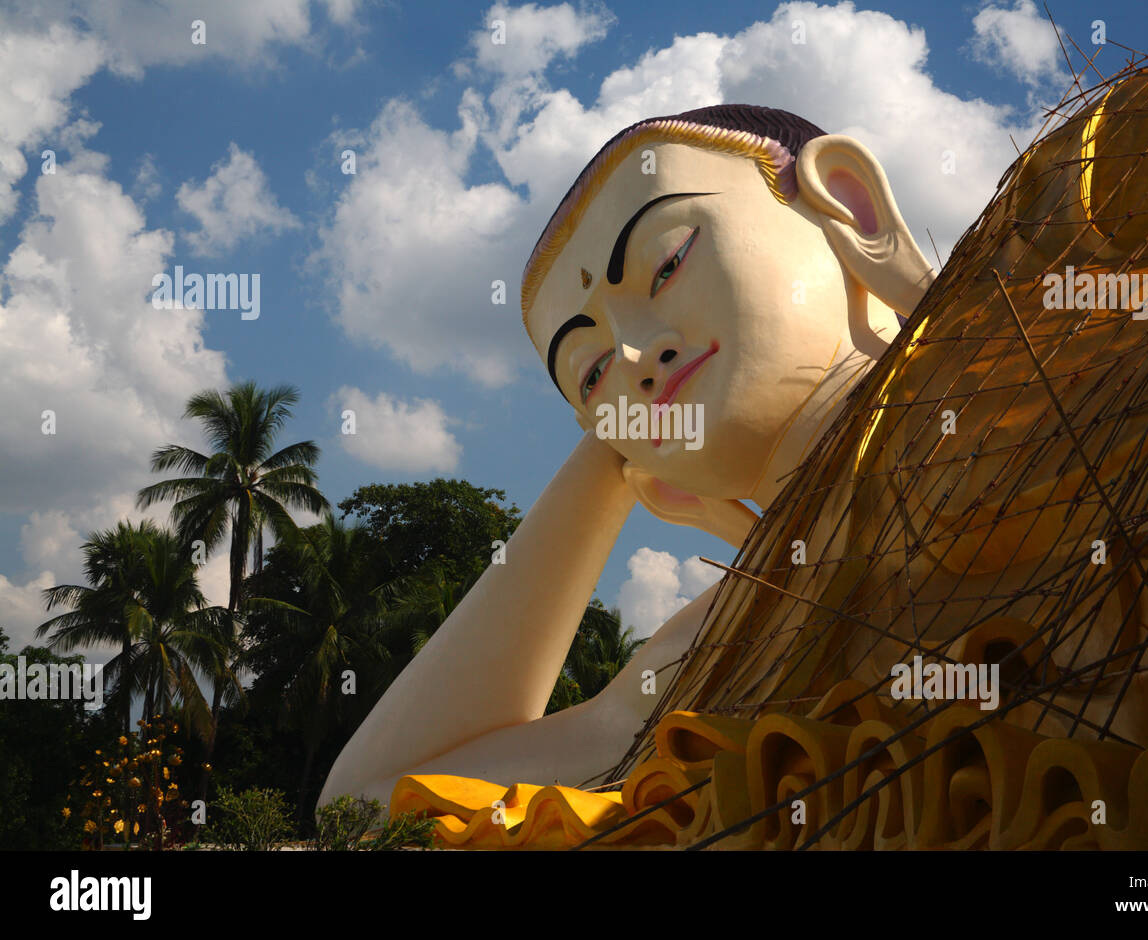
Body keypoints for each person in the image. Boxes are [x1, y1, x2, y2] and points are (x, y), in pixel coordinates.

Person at [319, 104, 936, 807]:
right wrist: (612, 459)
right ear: (654, 489)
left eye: (667, 263)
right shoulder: (726, 652)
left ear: (853, 208)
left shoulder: (1059, 367)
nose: (639, 357)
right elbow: (365, 808)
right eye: (591, 369)